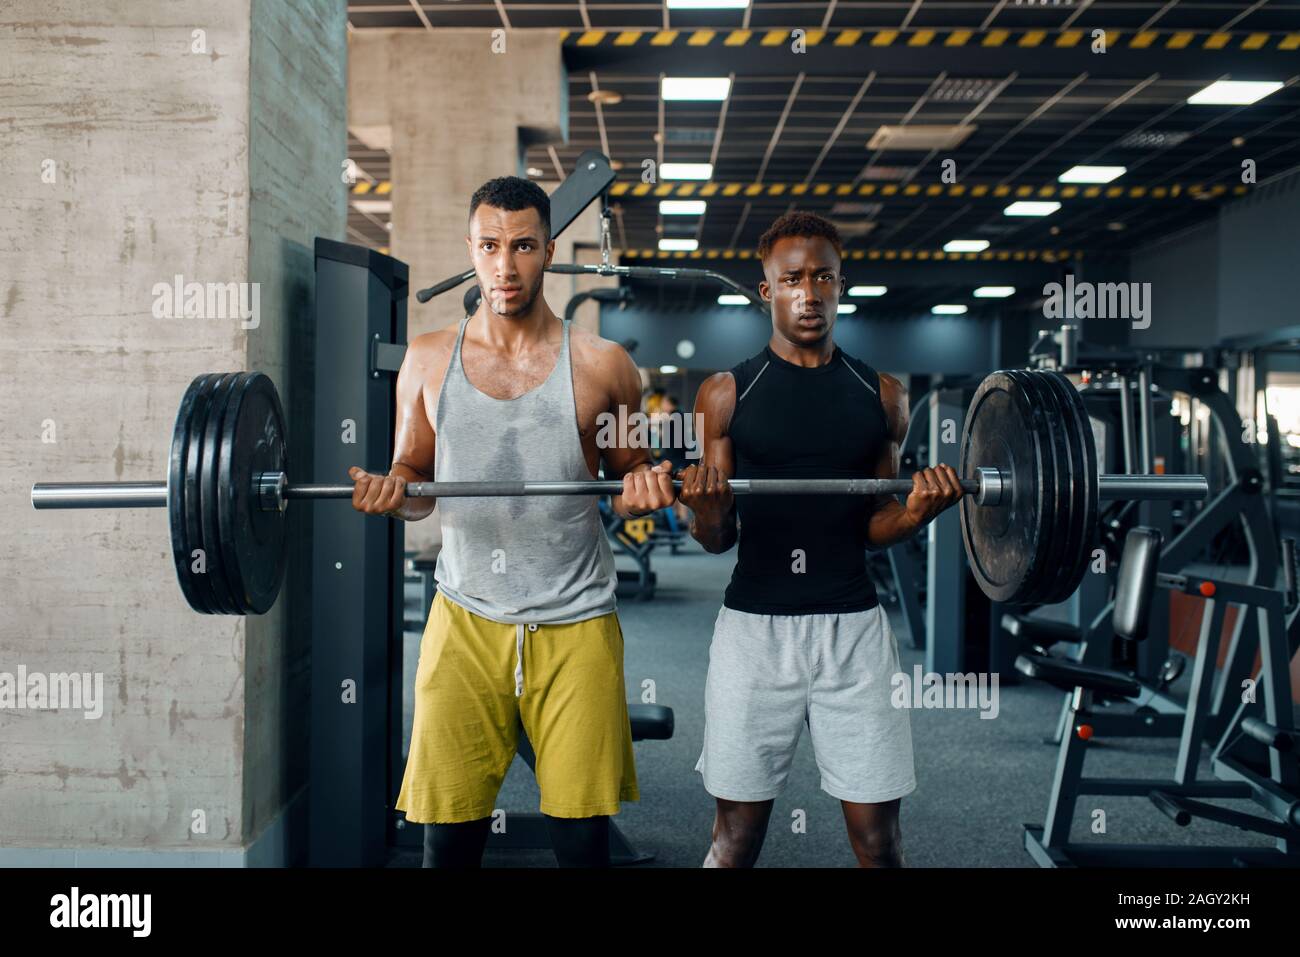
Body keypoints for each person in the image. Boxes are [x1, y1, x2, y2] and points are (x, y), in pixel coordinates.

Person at [349, 176, 674, 868]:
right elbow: (414, 480)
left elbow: (627, 476)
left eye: (523, 245)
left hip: (577, 620)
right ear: (471, 250)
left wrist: (643, 487)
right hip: (464, 618)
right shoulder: (428, 359)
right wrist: (391, 495)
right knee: (449, 835)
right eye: (490, 245)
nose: (506, 264)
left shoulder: (604, 365)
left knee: (582, 838)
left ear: (548, 249)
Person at [679, 211, 963, 867]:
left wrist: (919, 510)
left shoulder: (884, 396)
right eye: (792, 279)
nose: (809, 293)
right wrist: (705, 508)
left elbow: (874, 524)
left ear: (840, 285)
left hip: (853, 630)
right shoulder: (725, 393)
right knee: (734, 838)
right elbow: (716, 539)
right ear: (766, 290)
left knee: (878, 840)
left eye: (823, 278)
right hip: (754, 631)